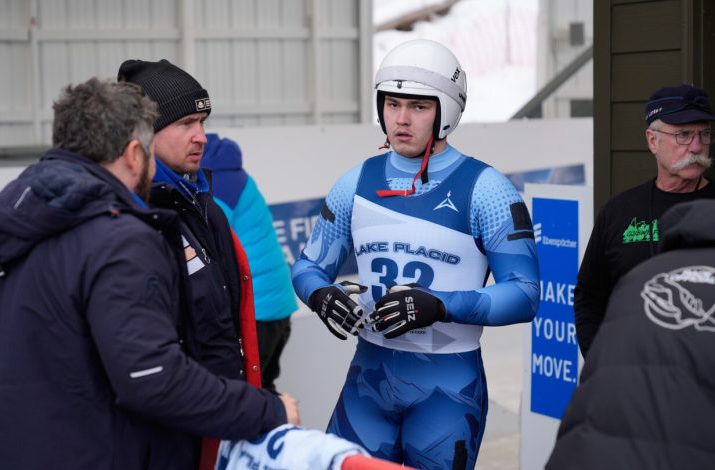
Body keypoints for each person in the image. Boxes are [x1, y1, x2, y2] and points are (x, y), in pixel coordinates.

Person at [0, 78, 297, 470]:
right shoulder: (120, 237)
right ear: (134, 154)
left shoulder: (4, 221)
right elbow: (153, 376)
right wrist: (266, 410)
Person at [291, 39, 540, 470]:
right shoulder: (354, 182)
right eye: (391, 103)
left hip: (446, 390)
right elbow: (309, 266)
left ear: (447, 112)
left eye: (419, 107)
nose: (401, 119)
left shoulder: (488, 189)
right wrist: (320, 294)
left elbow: (525, 294)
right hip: (368, 382)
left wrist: (441, 306)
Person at [117, 59, 298, 466]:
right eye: (186, 123)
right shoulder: (136, 209)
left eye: (203, 121)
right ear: (144, 133)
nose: (200, 136)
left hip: (228, 378)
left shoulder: (200, 194)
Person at [547, 199, 715, 470]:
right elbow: (588, 295)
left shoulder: (637, 277)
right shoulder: (617, 213)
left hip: (584, 454)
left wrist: (602, 365)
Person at [574, 84, 715, 358]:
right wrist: (601, 364)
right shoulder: (619, 213)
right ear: (653, 140)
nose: (697, 146)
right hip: (637, 385)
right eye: (683, 135)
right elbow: (589, 297)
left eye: (704, 134)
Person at [201, 133, 299, 392]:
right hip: (279, 307)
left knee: (247, 397)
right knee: (264, 388)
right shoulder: (239, 176)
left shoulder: (215, 184)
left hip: (256, 312)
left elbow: (209, 243)